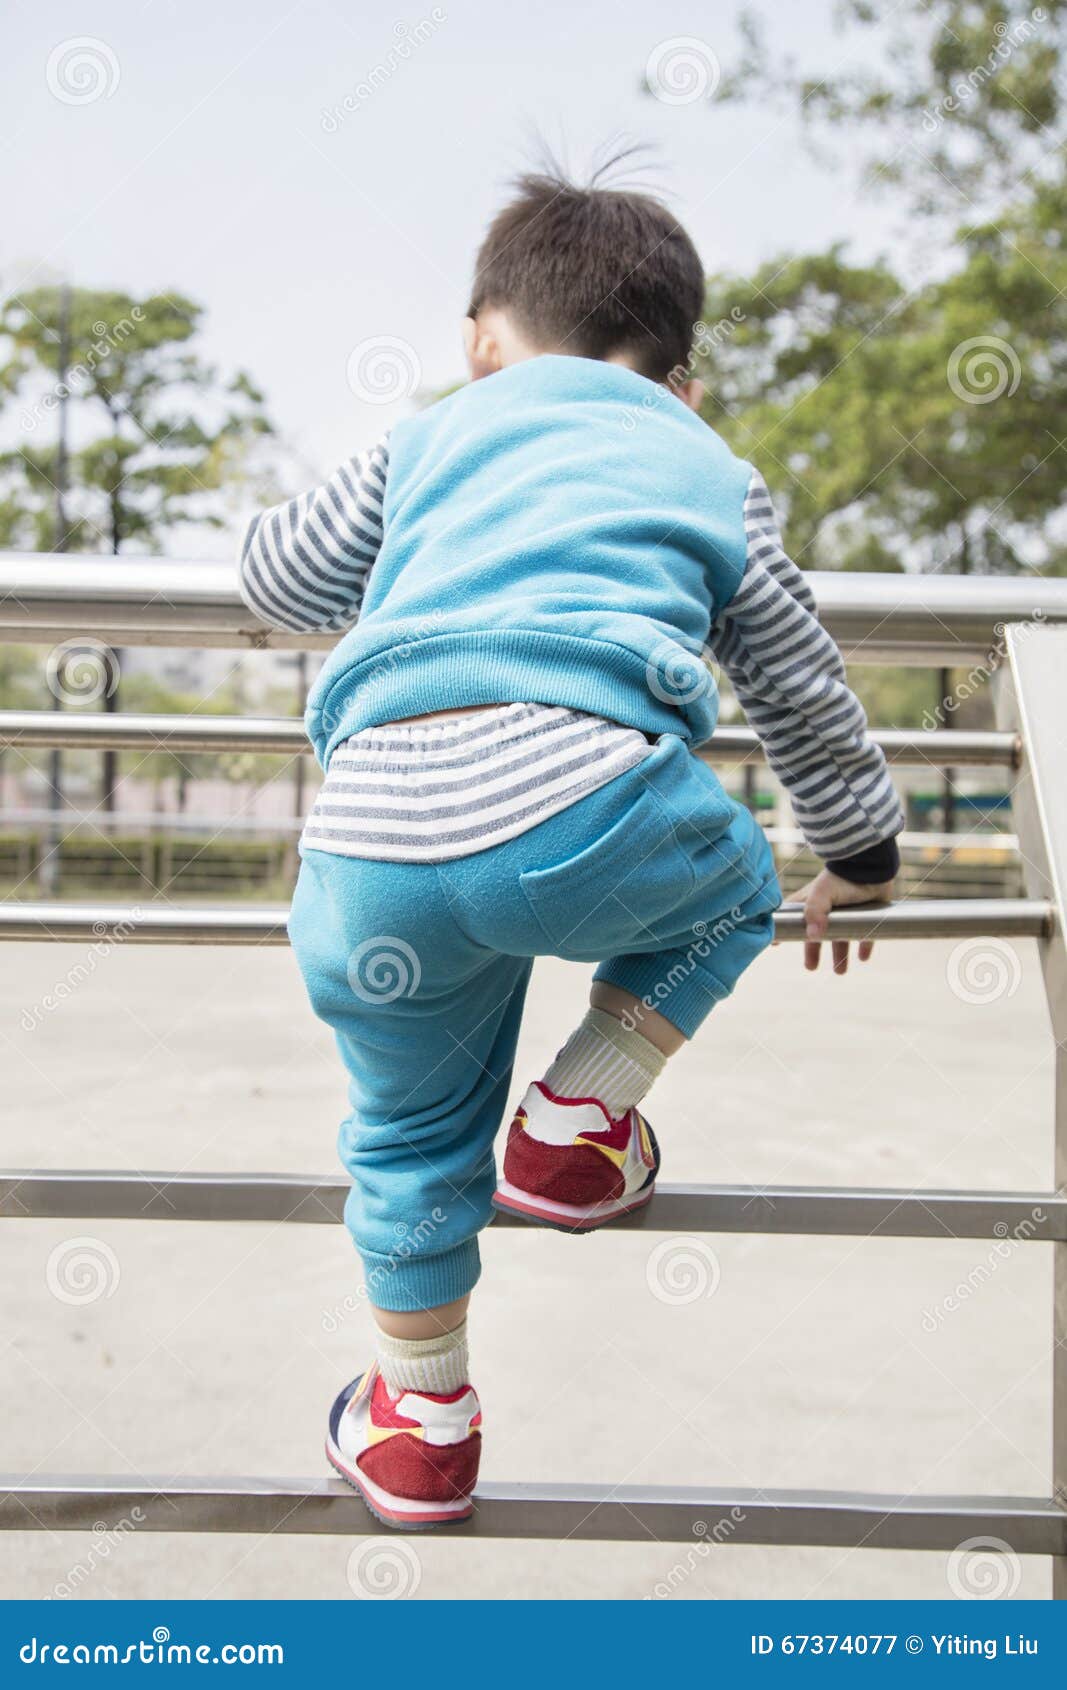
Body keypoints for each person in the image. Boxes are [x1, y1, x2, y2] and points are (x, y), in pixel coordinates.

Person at [238, 161, 902, 1530]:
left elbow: (277, 580)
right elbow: (792, 672)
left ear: (484, 338)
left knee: (409, 1135)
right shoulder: (708, 466)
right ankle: (576, 1121)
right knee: (730, 889)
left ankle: (420, 1424)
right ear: (681, 377)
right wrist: (865, 850)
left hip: (368, 845)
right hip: (583, 804)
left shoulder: (428, 436)